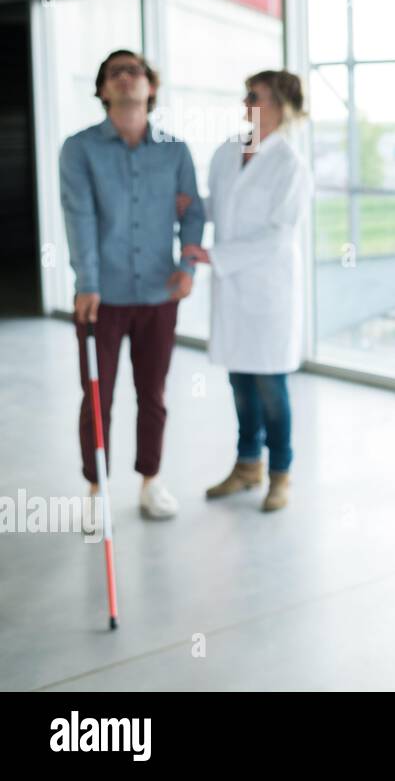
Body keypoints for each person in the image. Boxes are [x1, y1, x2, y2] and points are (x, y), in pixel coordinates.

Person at [60, 49, 204, 526]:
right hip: (101, 297)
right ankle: (96, 487)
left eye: (134, 71)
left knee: (153, 393)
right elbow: (80, 218)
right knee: (96, 396)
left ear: (151, 87)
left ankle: (150, 480)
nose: (125, 78)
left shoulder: (175, 151)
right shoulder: (79, 150)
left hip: (159, 296)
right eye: (114, 73)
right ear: (102, 90)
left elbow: (193, 212)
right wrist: (89, 283)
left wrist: (187, 265)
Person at [186, 70, 311, 512]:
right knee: (239, 382)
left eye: (254, 97)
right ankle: (246, 466)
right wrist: (185, 208)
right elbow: (214, 207)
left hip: (268, 291)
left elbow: (279, 235)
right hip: (232, 291)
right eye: (245, 95)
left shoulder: (289, 164)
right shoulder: (226, 151)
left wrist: (216, 257)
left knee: (270, 387)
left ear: (280, 105)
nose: (245, 104)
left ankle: (281, 474)